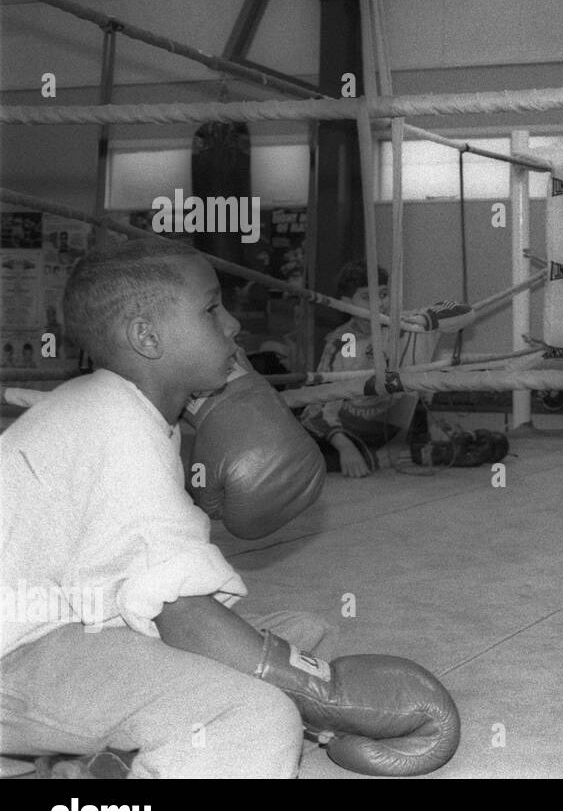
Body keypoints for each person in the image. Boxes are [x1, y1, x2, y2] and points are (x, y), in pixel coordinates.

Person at [0, 239, 457, 777]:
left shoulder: (121, 410)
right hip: (22, 658)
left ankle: (102, 757)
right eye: (212, 309)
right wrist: (327, 692)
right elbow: (181, 613)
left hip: (79, 629)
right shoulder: (118, 426)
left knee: (305, 633)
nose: (234, 325)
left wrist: (303, 671)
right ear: (147, 337)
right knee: (258, 718)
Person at [299, 259, 474, 477]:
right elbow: (317, 409)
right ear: (345, 303)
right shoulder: (344, 341)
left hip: (393, 432)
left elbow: (465, 312)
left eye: (383, 294)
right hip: (348, 435)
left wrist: (423, 320)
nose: (379, 304)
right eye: (366, 298)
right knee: (299, 456)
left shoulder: (411, 325)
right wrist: (346, 448)